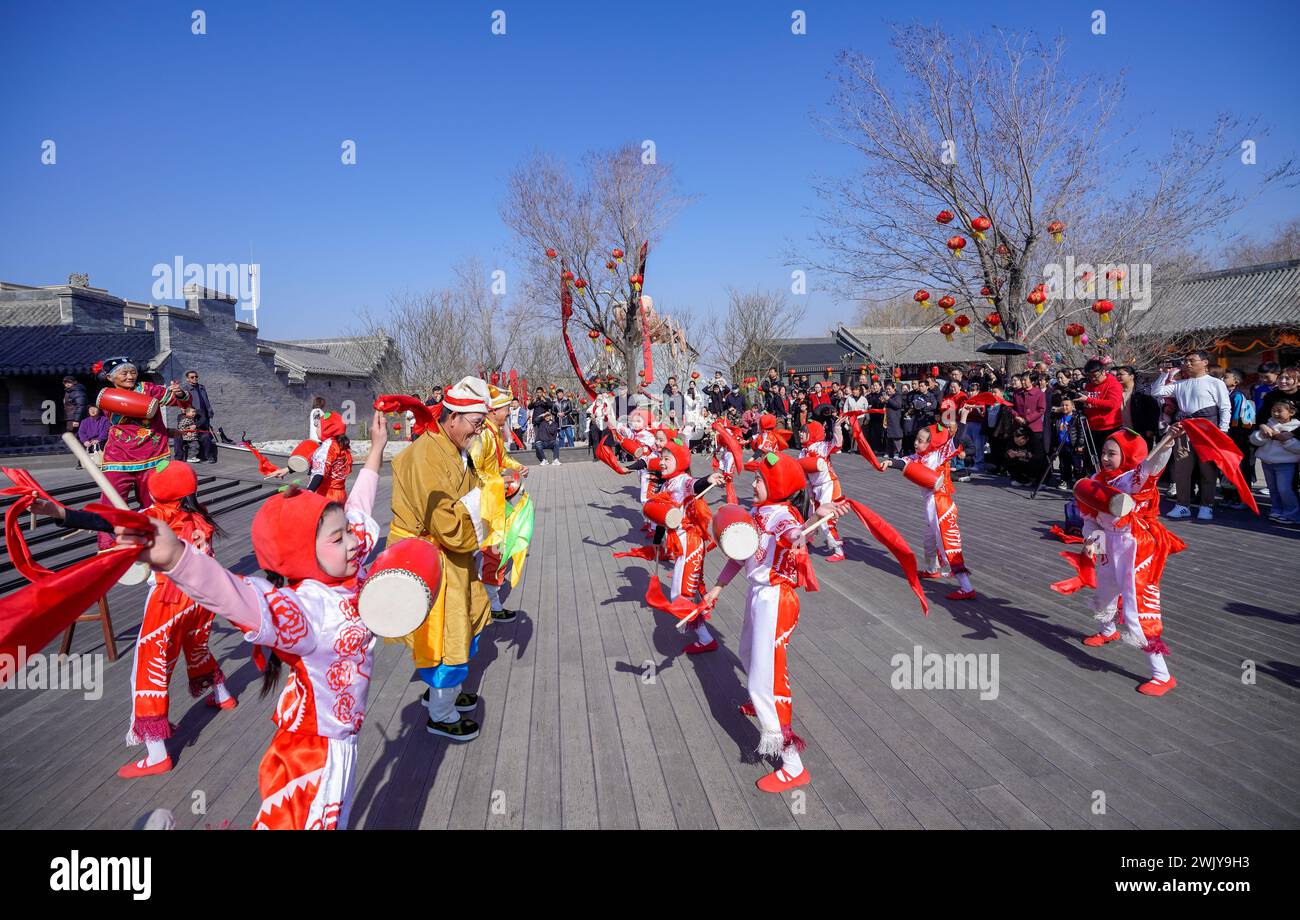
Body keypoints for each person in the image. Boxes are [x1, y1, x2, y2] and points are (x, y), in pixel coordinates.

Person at [122, 411, 389, 826]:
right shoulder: (308, 607)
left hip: (341, 740)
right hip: (313, 753)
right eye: (340, 537)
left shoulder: (350, 567)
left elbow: (358, 506)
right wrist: (176, 558)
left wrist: (376, 449)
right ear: (303, 554)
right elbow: (241, 597)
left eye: (349, 534)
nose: (355, 541)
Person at [33, 459, 236, 778]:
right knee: (195, 646)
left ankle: (157, 753)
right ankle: (222, 696)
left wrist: (60, 513)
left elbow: (104, 522)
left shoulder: (154, 518)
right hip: (202, 597)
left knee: (147, 671)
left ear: (158, 491)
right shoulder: (199, 514)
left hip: (169, 601)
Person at [699, 452, 847, 793]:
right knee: (748, 655)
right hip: (759, 595)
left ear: (778, 484)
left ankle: (792, 762)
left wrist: (816, 516)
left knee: (768, 679)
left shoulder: (781, 515)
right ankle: (759, 702)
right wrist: (716, 590)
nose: (753, 484)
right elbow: (740, 556)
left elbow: (793, 532)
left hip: (776, 599)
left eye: (760, 479)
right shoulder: (755, 513)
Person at [390, 377, 494, 742]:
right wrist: (490, 512)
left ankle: (443, 693)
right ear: (453, 418)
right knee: (447, 634)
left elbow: (472, 495)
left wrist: (496, 493)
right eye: (475, 424)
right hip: (435, 559)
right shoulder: (427, 455)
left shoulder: (451, 448)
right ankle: (441, 712)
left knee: (470, 620)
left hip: (455, 559)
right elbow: (448, 525)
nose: (477, 432)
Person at [1072, 427, 1185, 697]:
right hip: (1108, 541)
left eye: (1112, 453)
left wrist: (1168, 440)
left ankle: (1161, 674)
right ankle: (1108, 629)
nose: (1105, 458)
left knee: (1137, 604)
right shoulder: (1097, 479)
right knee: (1105, 590)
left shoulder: (1132, 480)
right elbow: (1090, 516)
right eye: (1103, 453)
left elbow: (1151, 465)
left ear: (1128, 455)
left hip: (1134, 546)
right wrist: (1091, 541)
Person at [94, 356, 190, 548]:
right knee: (111, 500)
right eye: (124, 373)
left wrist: (179, 394)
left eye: (132, 372)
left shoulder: (147, 388)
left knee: (154, 500)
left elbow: (180, 402)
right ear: (110, 378)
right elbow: (128, 411)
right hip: (119, 455)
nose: (130, 376)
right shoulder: (107, 396)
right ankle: (108, 545)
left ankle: (154, 540)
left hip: (153, 452)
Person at [889, 423, 976, 600]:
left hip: (941, 505)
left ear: (931, 443)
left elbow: (956, 439)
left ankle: (966, 587)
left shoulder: (938, 455)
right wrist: (889, 462)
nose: (916, 443)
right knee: (929, 541)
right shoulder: (917, 456)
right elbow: (902, 462)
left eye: (920, 441)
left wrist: (962, 419)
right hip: (930, 505)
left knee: (947, 546)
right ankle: (932, 570)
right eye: (916, 439)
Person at [471, 386, 531, 621]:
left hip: (495, 497)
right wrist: (500, 479)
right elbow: (473, 471)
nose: (509, 412)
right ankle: (492, 604)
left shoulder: (494, 431)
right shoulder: (483, 435)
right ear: (494, 411)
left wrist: (516, 467)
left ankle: (488, 598)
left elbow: (501, 459)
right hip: (486, 500)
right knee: (494, 549)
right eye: (506, 408)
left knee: (497, 548)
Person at [1150, 350, 1231, 520]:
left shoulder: (1215, 382)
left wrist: (1223, 431)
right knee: (1182, 469)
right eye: (1185, 361)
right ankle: (1182, 504)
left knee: (1207, 470)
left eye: (1191, 360)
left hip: (1207, 431)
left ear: (1205, 362)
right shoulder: (1180, 384)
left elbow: (1224, 407)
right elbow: (1156, 392)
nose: (1187, 363)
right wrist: (1164, 375)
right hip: (1184, 429)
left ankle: (1206, 505)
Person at [799, 419, 846, 561]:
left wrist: (837, 427)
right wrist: (810, 493)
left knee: (825, 519)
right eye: (800, 431)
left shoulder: (821, 446)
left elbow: (837, 444)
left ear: (812, 433)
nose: (800, 433)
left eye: (804, 431)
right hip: (816, 489)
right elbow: (805, 476)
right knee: (812, 515)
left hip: (829, 485)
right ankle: (804, 540)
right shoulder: (802, 452)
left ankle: (839, 551)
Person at [1251, 399, 1300, 522]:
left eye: (1279, 411)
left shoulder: (1295, 427)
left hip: (1286, 464)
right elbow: (1253, 440)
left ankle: (1292, 513)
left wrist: (1286, 440)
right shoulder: (1268, 424)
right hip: (1267, 462)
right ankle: (1276, 509)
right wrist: (1262, 436)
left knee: (1284, 489)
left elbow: (1298, 448)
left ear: (1291, 412)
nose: (1276, 414)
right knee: (1272, 488)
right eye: (1273, 411)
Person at [1076, 359, 1124, 452]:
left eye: (1095, 376)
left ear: (1103, 372)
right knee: (1090, 461)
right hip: (1092, 428)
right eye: (1090, 377)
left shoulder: (1113, 384)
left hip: (1109, 428)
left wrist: (1089, 400)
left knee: (1106, 460)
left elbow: (1112, 404)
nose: (1093, 379)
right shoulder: (1089, 385)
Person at [182, 369, 217, 463]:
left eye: (196, 377)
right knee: (196, 436)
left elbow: (206, 400)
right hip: (195, 415)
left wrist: (210, 410)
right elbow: (183, 404)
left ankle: (208, 457)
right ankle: (196, 456)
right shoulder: (185, 389)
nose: (195, 378)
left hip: (205, 414)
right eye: (192, 377)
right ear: (187, 379)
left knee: (206, 436)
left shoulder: (202, 387)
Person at [1054, 399, 1087, 489]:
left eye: (1067, 405)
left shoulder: (1076, 417)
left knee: (1077, 465)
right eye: (1063, 405)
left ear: (1073, 407)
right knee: (1064, 465)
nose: (1064, 407)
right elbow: (1050, 411)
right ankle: (1065, 480)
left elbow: (1081, 432)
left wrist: (1080, 445)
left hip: (1073, 445)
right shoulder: (1059, 417)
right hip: (1062, 445)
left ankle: (1078, 481)